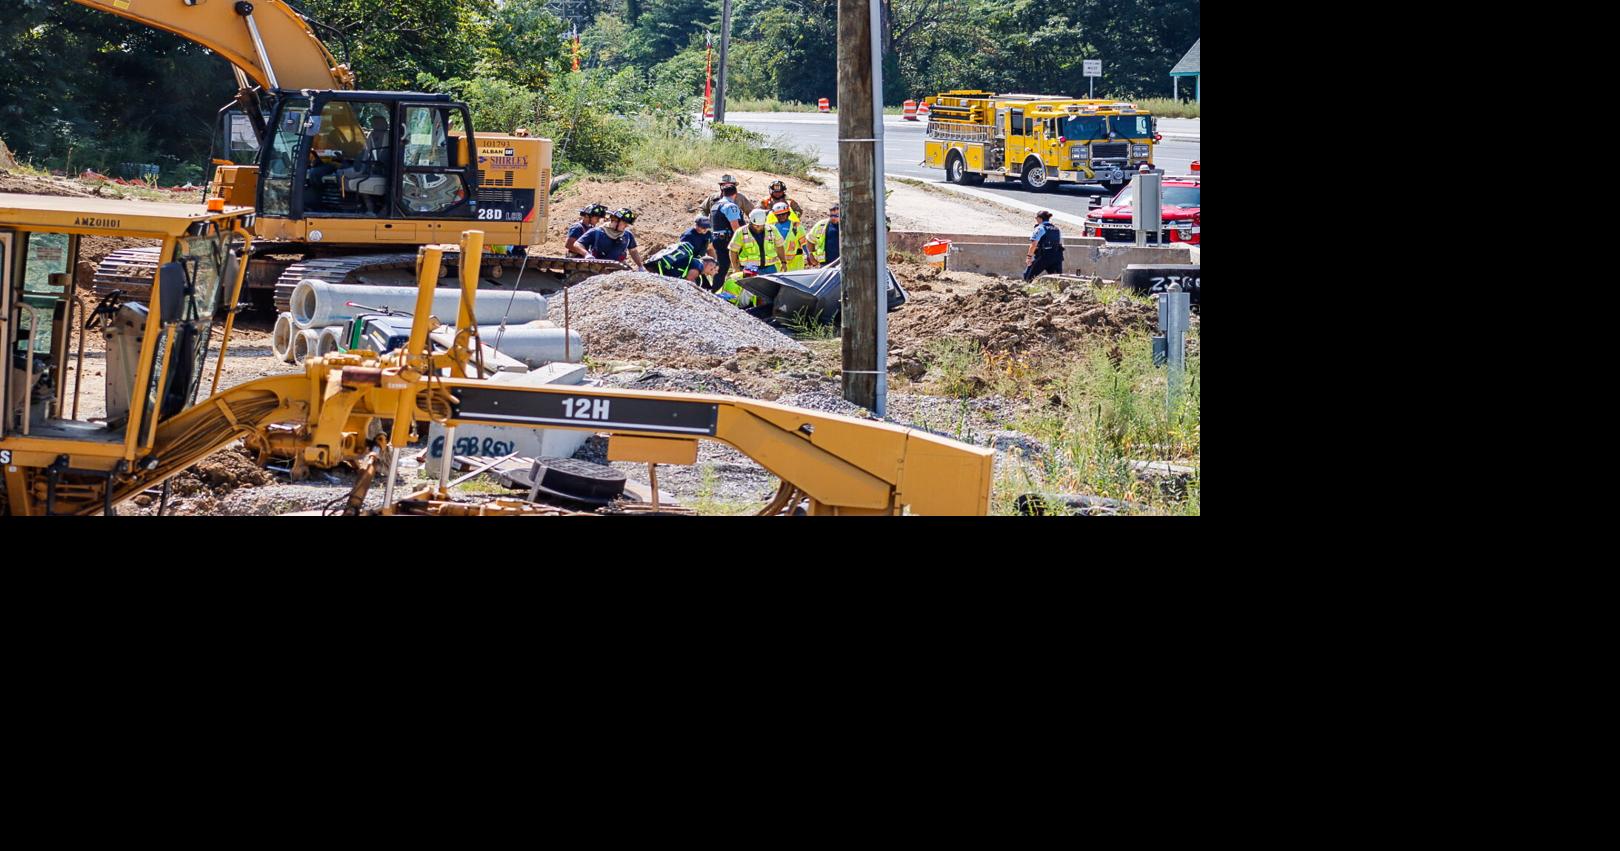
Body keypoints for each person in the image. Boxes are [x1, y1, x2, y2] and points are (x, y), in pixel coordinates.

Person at [723, 208, 790, 307]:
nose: (758, 228)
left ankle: (767, 313)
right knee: (751, 293)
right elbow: (733, 251)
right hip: (750, 268)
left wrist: (783, 262)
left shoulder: (772, 230)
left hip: (769, 268)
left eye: (761, 226)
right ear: (750, 221)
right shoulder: (741, 232)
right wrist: (736, 268)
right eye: (756, 226)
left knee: (772, 293)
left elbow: (779, 246)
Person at [577, 207, 644, 266]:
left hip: (617, 269)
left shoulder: (628, 235)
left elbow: (633, 251)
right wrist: (586, 254)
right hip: (596, 268)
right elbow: (577, 244)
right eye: (624, 223)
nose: (626, 226)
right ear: (615, 221)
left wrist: (640, 266)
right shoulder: (596, 232)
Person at [708, 187, 744, 291]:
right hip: (728, 240)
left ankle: (715, 291)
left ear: (722, 193)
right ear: (735, 194)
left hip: (717, 239)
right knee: (739, 267)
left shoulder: (715, 205)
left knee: (721, 268)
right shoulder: (730, 206)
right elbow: (735, 227)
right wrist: (742, 242)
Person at [769, 201, 815, 271]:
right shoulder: (771, 228)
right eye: (778, 215)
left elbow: (804, 243)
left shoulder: (796, 227)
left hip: (795, 263)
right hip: (778, 263)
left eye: (783, 214)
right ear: (775, 215)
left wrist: (809, 255)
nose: (781, 217)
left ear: (788, 213)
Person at [1024, 210, 1064, 281]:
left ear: (1040, 218)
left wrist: (1029, 257)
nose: (1036, 219)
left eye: (1036, 218)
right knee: (1057, 280)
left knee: (1028, 277)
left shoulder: (1040, 228)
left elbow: (1034, 244)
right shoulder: (1057, 229)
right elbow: (1060, 243)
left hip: (1044, 256)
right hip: (1057, 256)